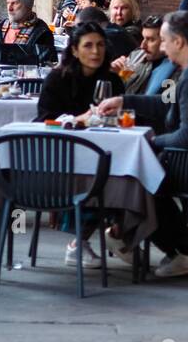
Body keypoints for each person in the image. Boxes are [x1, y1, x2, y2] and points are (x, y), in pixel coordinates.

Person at [95, 10, 188, 278]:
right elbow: (168, 102)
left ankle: (183, 251)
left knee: (137, 175)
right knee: (140, 168)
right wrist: (124, 101)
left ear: (179, 42)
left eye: (163, 40)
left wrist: (150, 142)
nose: (161, 46)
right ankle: (137, 238)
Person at [34, 22, 125, 266]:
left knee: (122, 178)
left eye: (100, 45)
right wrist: (76, 120)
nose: (96, 51)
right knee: (97, 181)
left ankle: (120, 233)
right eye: (88, 46)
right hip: (61, 159)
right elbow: (44, 121)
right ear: (74, 50)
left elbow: (120, 117)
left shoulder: (111, 82)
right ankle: (80, 242)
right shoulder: (57, 79)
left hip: (104, 153)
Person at [110, 15, 175, 96]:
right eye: (143, 38)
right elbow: (117, 91)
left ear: (165, 40)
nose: (142, 45)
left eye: (151, 40)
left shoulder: (174, 67)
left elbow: (167, 104)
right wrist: (113, 76)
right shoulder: (135, 56)